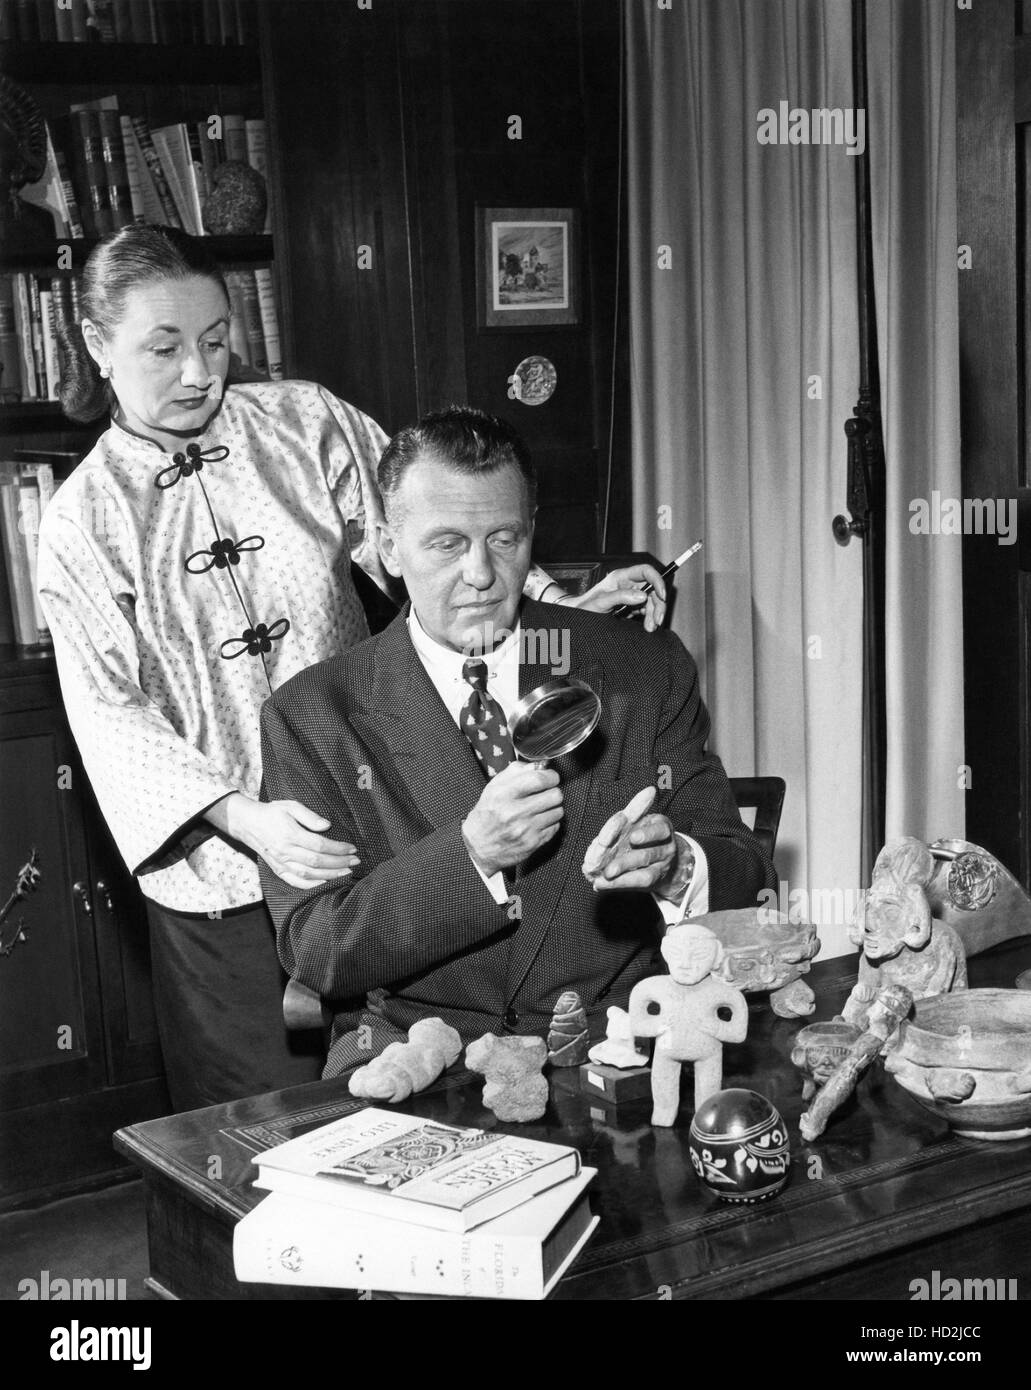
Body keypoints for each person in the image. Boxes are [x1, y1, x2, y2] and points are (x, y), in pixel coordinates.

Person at [35, 225, 665, 1113]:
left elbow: (434, 532)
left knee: (403, 1094)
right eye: (164, 348)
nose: (197, 372)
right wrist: (245, 818)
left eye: (216, 340)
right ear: (99, 346)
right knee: (266, 1125)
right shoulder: (80, 523)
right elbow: (109, 711)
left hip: (374, 823)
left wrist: (560, 605)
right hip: (218, 867)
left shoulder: (304, 421)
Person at [259, 406, 776, 1078]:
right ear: (387, 548)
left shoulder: (639, 669)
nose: (480, 573)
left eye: (503, 539)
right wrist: (471, 855)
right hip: (420, 1059)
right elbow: (318, 950)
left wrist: (675, 866)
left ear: (531, 533)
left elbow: (746, 875)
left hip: (617, 1048)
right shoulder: (313, 713)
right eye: (445, 543)